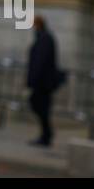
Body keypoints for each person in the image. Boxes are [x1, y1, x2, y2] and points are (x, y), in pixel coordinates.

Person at [26, 14, 61, 146]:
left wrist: (32, 80)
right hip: (43, 82)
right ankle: (46, 134)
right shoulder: (44, 37)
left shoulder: (44, 39)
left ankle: (46, 135)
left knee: (40, 106)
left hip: (42, 83)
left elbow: (39, 62)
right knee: (41, 107)